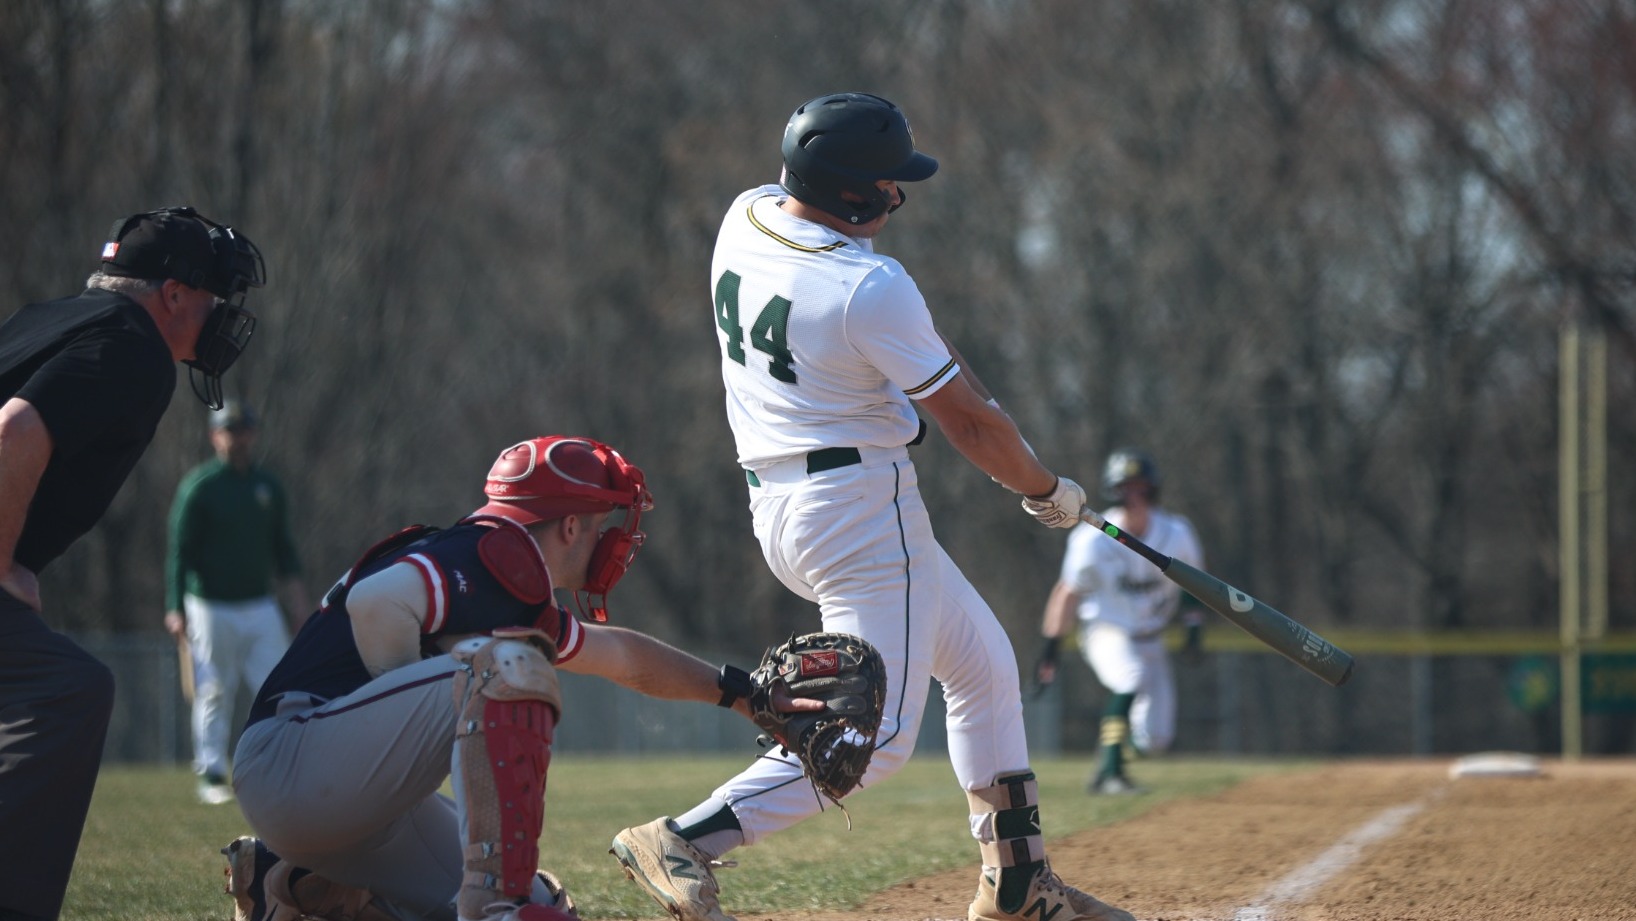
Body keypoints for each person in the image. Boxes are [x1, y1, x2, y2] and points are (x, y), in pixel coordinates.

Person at [609, 92, 1135, 921]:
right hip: (858, 506)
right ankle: (685, 836)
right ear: (854, 191)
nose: (897, 195)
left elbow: (932, 365)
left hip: (781, 504)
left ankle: (1018, 881)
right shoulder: (867, 284)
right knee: (874, 738)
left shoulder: (745, 216)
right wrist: (1045, 491)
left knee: (985, 666)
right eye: (888, 182)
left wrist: (1002, 433)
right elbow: (963, 419)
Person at [219, 436, 822, 921]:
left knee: (547, 907)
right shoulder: (488, 556)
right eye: (602, 520)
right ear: (567, 526)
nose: (613, 537)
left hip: (343, 801)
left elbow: (624, 659)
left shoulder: (498, 572)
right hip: (295, 758)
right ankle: (493, 907)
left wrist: (744, 694)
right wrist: (428, 694)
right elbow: (375, 603)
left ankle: (299, 885)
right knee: (506, 667)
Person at [0, 205, 264, 921]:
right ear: (172, 294)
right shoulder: (134, 345)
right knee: (68, 689)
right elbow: (14, 428)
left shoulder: (45, 318)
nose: (218, 315)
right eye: (212, 295)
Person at [1033, 448, 1205, 795]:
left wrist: (1193, 629)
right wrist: (1051, 649)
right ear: (1114, 491)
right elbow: (1068, 592)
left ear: (1154, 489)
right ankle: (1111, 773)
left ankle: (1110, 756)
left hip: (1152, 637)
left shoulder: (1177, 533)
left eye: (1141, 487)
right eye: (1126, 488)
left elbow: (1193, 586)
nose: (1135, 495)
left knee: (1157, 739)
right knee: (1130, 677)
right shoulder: (1092, 538)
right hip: (1106, 630)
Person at [164, 398, 310, 805]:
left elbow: (284, 549)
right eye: (229, 431)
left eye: (243, 430)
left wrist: (297, 599)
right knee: (214, 688)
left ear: (253, 434)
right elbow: (179, 551)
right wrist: (175, 607)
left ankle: (282, 763)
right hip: (210, 605)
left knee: (279, 684)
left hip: (259, 603)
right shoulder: (200, 487)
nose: (237, 439)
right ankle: (210, 771)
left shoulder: (267, 487)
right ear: (215, 436)